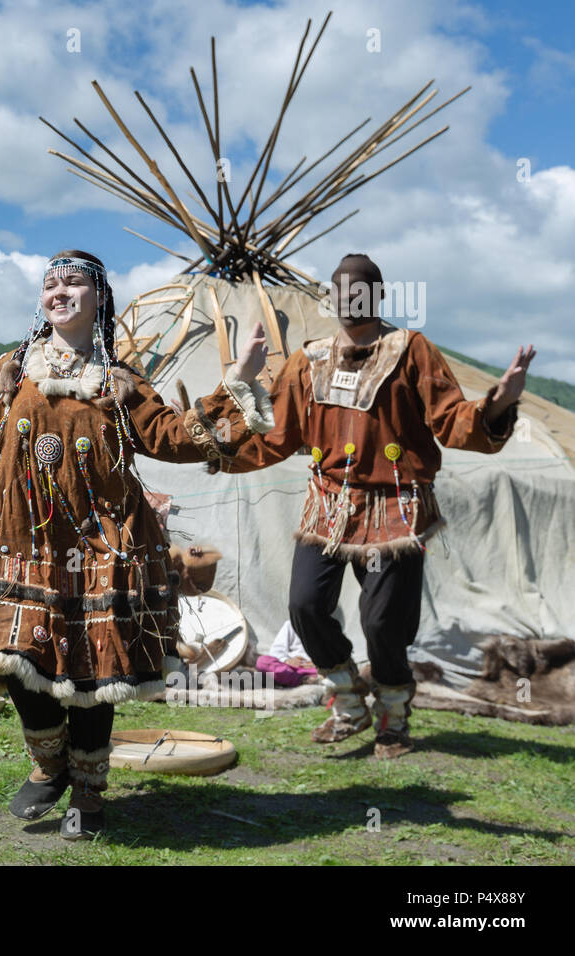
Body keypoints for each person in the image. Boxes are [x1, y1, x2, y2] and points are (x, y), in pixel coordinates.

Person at [0, 250, 272, 838]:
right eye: (50, 283)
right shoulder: (13, 369)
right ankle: (49, 766)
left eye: (73, 282)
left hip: (104, 544)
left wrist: (238, 384)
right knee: (14, 655)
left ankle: (89, 794)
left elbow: (174, 438)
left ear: (98, 298)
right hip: (24, 538)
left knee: (94, 671)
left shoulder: (119, 378)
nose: (58, 291)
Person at [220, 253, 532, 758]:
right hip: (328, 506)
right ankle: (346, 696)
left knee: (384, 620)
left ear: (378, 296)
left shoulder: (410, 351)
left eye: (360, 292)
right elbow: (275, 435)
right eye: (341, 293)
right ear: (331, 299)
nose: (349, 301)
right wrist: (220, 447)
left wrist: (497, 403)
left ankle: (393, 712)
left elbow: (451, 419)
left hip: (395, 507)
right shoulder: (309, 359)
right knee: (304, 603)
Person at [255, 620, 317, 688]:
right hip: (290, 669)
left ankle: (303, 680)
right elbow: (275, 651)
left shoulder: (326, 624)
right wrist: (287, 660)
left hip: (314, 669)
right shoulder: (291, 624)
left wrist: (318, 664)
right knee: (262, 661)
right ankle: (303, 681)